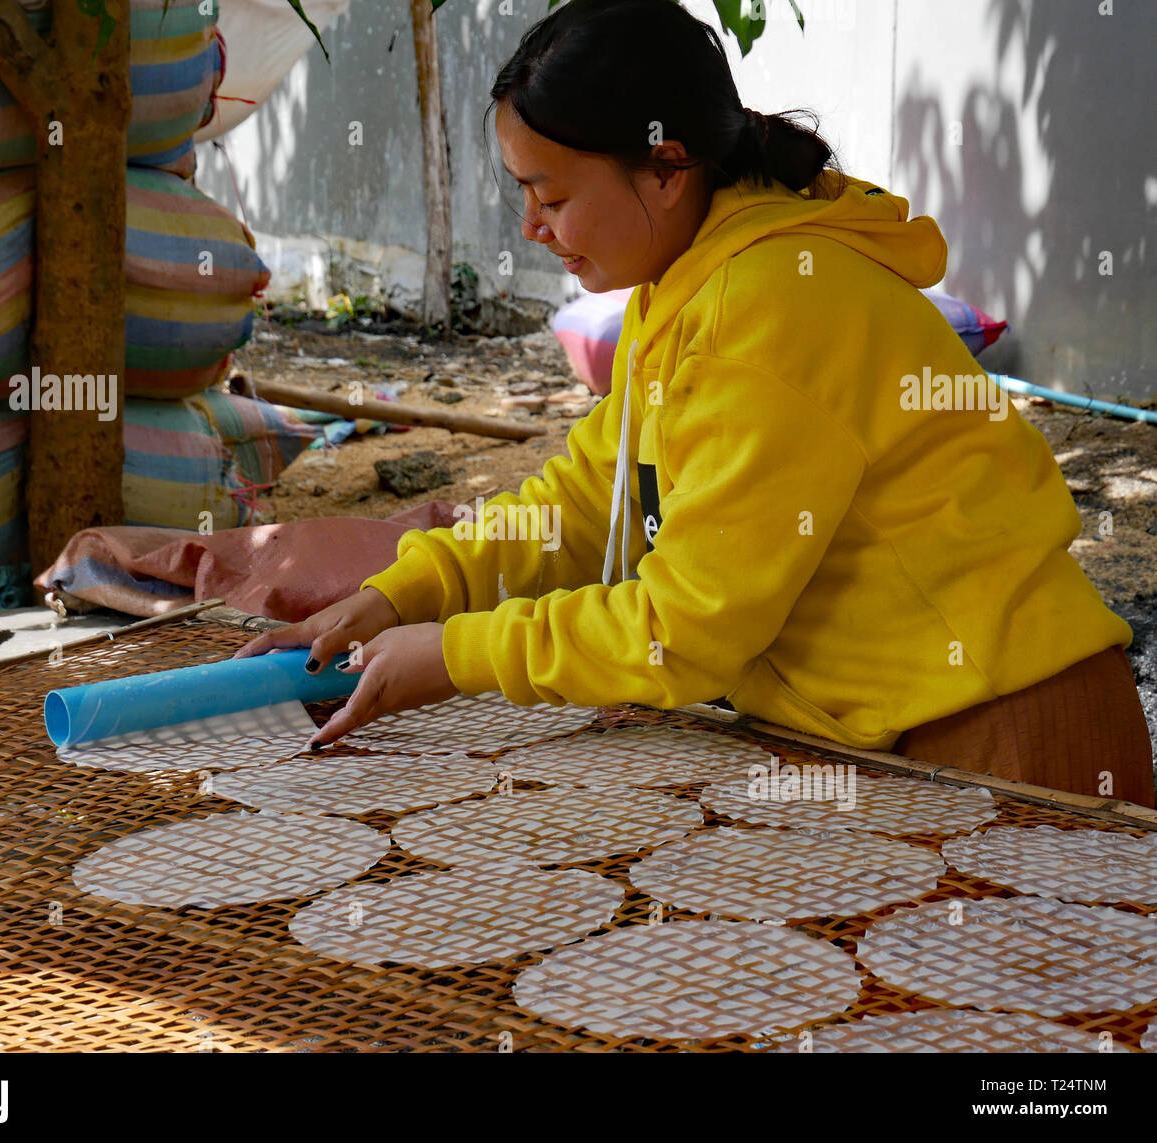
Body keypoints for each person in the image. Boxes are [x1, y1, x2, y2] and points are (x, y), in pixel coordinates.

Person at [237, 0, 1154, 808]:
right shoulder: (685, 291)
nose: (531, 227)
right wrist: (405, 594)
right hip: (903, 737)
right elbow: (586, 500)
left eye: (549, 193)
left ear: (666, 169)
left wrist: (458, 652)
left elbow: (684, 629)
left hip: (1009, 741)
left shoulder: (764, 308)